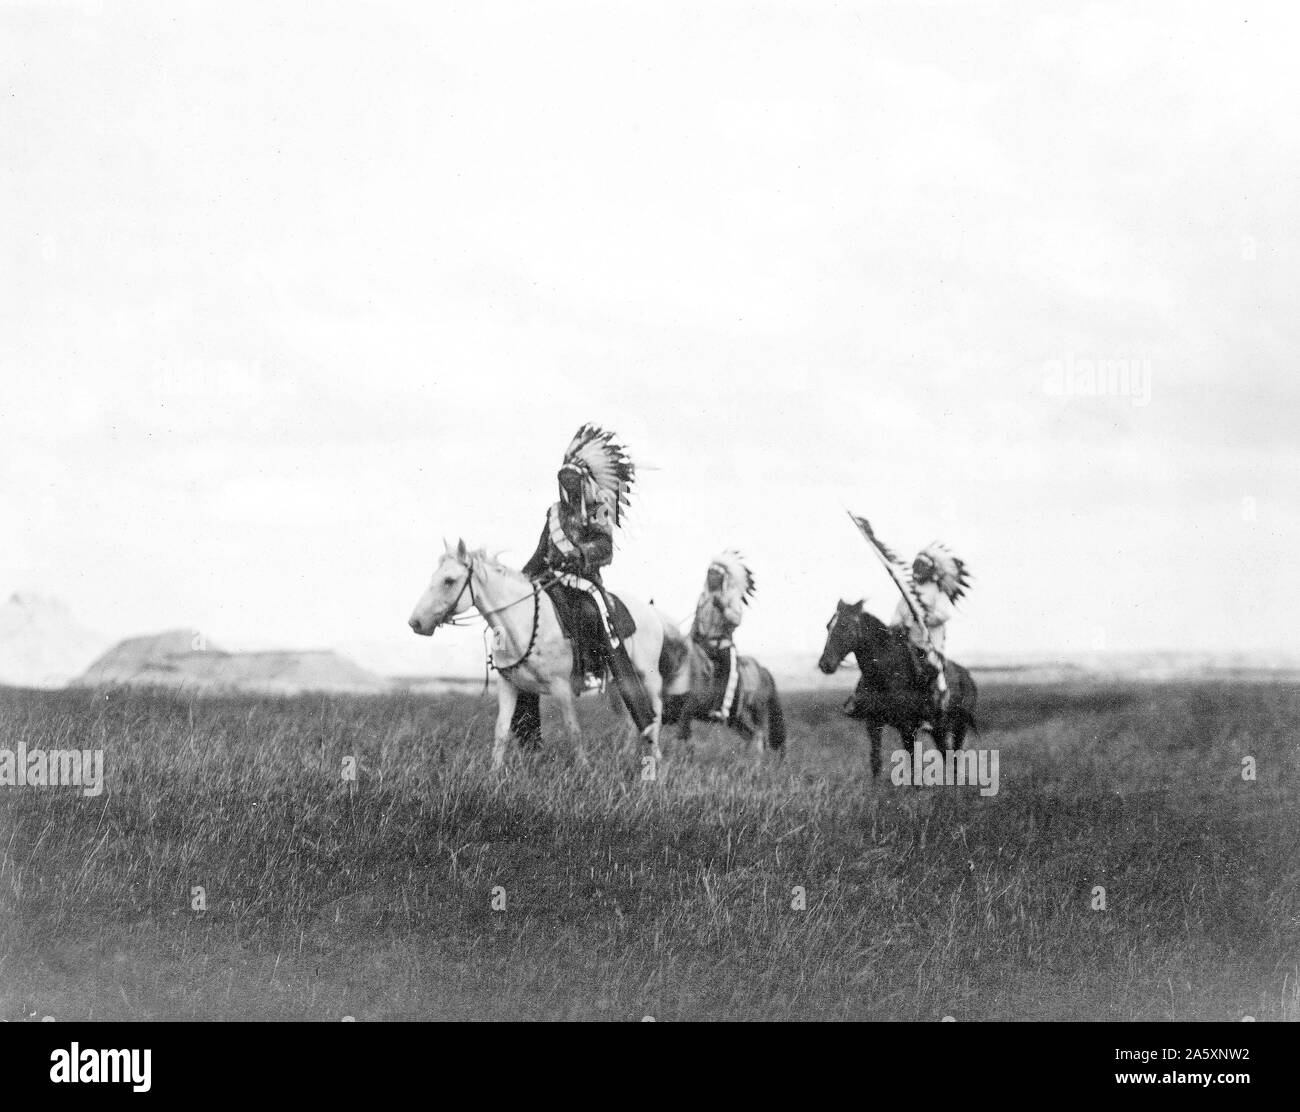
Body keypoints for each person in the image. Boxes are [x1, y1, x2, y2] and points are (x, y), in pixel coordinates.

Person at [511, 424, 653, 742]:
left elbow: (605, 549)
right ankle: (526, 732)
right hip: (552, 580)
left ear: (584, 480)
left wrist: (581, 554)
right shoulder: (554, 513)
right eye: (564, 480)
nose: (569, 485)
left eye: (573, 480)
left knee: (592, 615)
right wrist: (519, 579)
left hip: (585, 582)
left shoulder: (599, 509)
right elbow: (539, 553)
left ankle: (590, 669)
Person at [889, 544, 969, 720]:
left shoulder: (937, 591)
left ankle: (940, 698)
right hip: (908, 642)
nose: (917, 569)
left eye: (921, 566)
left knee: (933, 666)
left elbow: (943, 613)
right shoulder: (908, 592)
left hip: (930, 642)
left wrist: (924, 618)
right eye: (915, 566)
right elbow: (897, 616)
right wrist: (897, 625)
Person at [690, 551, 754, 722]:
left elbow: (736, 619)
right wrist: (690, 638)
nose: (711, 578)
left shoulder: (731, 596)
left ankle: (721, 709)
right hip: (702, 645)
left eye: (715, 575)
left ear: (723, 578)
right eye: (709, 574)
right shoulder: (703, 597)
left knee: (727, 670)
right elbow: (696, 621)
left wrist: (723, 608)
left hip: (722, 646)